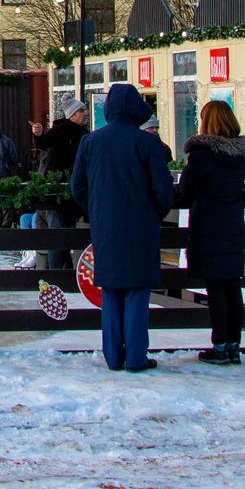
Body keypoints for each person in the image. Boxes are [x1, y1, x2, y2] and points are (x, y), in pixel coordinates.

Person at [71, 82, 173, 373]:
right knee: (138, 290)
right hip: (140, 224)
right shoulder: (148, 143)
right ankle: (136, 356)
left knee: (111, 289)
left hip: (106, 225)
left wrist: (96, 209)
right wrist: (153, 212)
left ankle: (113, 355)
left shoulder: (90, 141)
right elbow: (162, 190)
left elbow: (77, 186)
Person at [181, 101, 245, 365]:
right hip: (233, 222)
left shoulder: (202, 154)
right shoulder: (239, 154)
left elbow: (187, 187)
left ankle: (220, 345)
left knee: (216, 289)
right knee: (233, 286)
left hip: (209, 224)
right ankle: (234, 345)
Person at [22, 97, 91, 270]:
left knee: (68, 231)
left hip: (72, 190)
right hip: (55, 192)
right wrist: (37, 135)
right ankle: (55, 273)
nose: (85, 113)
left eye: (85, 110)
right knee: (58, 233)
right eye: (81, 111)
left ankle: (63, 269)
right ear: (72, 115)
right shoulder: (61, 130)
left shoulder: (84, 133)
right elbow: (44, 142)